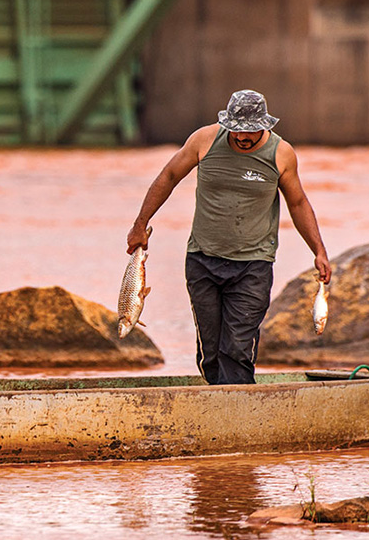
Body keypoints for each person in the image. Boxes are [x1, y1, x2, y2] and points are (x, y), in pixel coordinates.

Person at [126, 90, 330, 385]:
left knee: (236, 348)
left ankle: (238, 406)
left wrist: (318, 250)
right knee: (210, 351)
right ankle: (218, 401)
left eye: (251, 131)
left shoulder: (281, 153)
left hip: (253, 266)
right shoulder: (204, 140)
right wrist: (140, 224)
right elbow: (169, 176)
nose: (243, 137)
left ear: (264, 125)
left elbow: (297, 203)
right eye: (236, 130)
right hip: (202, 260)